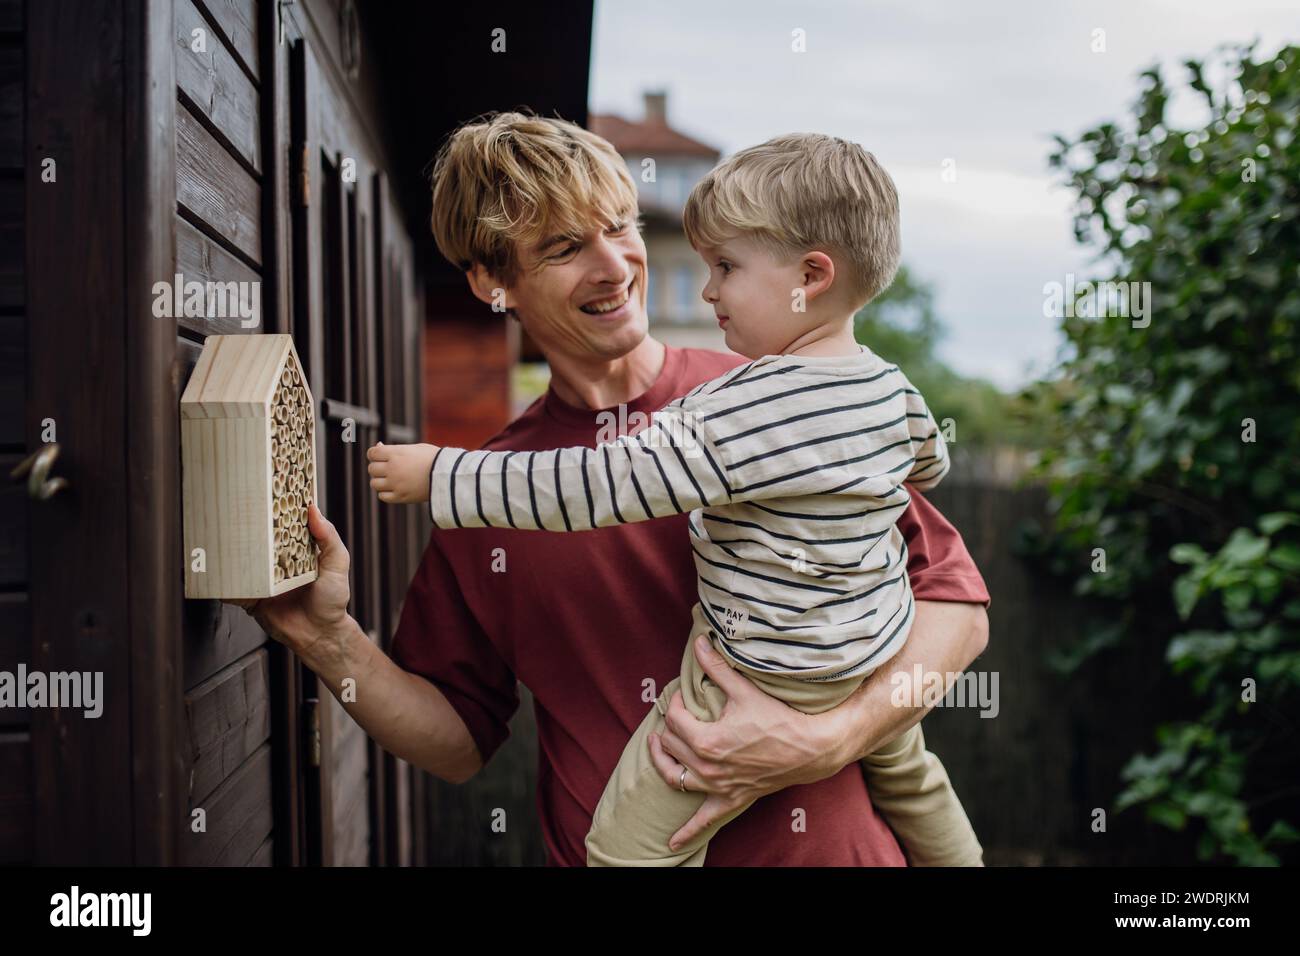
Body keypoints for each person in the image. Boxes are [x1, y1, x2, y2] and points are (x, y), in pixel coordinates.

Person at [233, 110, 990, 866]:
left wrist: (828, 740)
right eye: (565, 247)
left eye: (620, 225)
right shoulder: (490, 496)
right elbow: (458, 743)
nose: (616, 265)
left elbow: (957, 610)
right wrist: (324, 638)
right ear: (494, 284)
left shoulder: (778, 402)